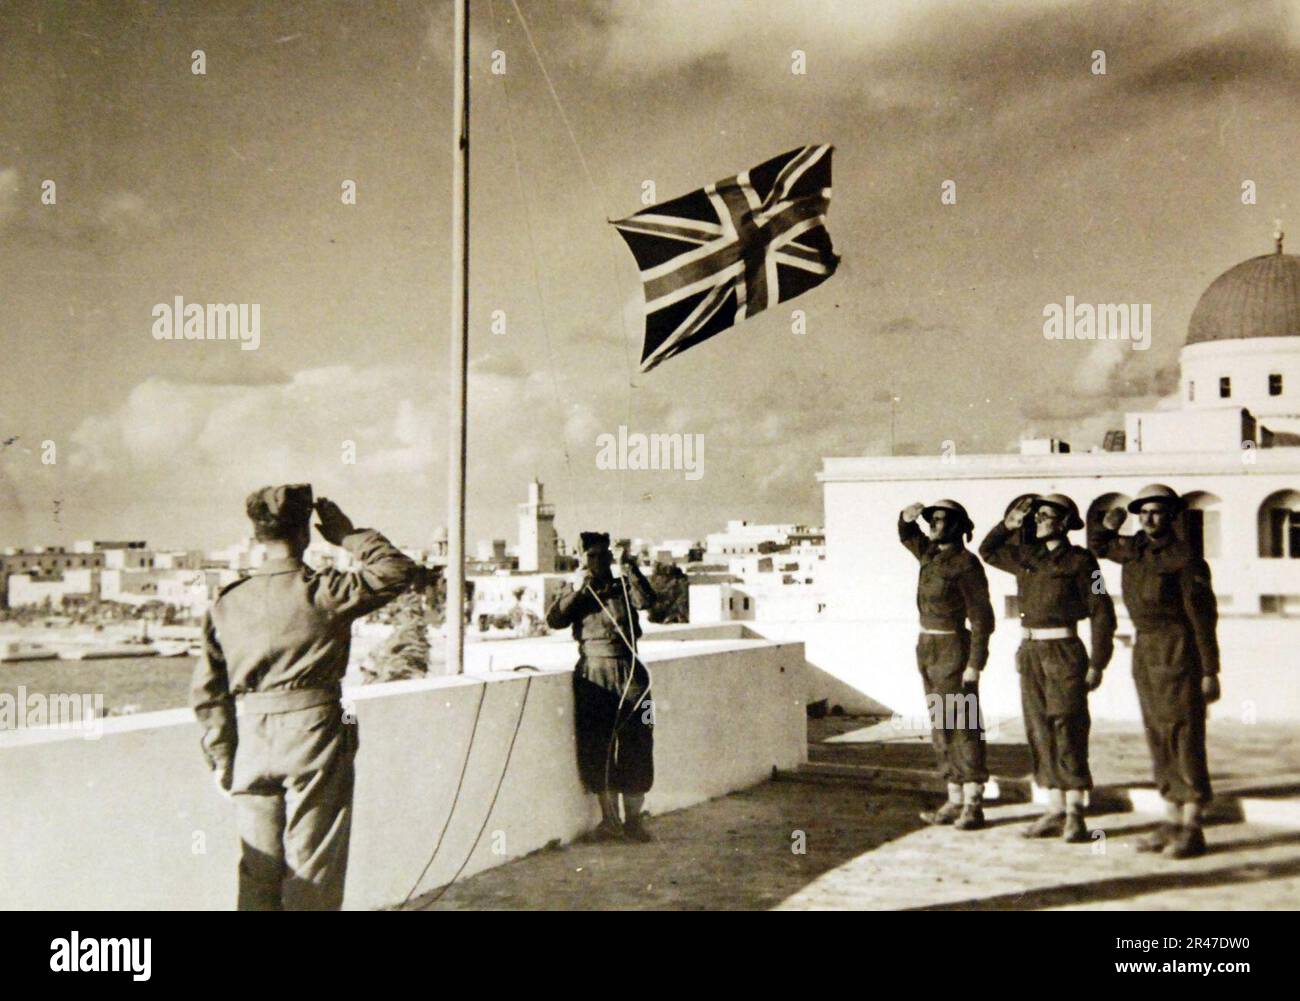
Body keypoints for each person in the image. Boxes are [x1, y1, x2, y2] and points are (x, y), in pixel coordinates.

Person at [191, 485, 418, 909]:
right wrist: (348, 535)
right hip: (314, 735)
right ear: (304, 534)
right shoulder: (324, 590)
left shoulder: (227, 602)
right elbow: (397, 571)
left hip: (253, 744)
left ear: (258, 535)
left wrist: (222, 756)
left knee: (258, 874)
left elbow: (208, 693)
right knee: (311, 872)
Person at [1090, 484, 1220, 859]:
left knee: (1183, 732)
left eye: (1157, 512)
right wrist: (1111, 521)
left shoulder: (1185, 558)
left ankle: (1192, 824)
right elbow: (1099, 544)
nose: (1148, 519)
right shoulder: (1134, 549)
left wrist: (1210, 669)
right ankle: (1171, 817)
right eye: (1142, 512)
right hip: (1146, 650)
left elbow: (1203, 619)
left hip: (1178, 648)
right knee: (1157, 733)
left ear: (1171, 516)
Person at [981, 494, 1116, 842]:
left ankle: (1075, 812)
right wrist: (1009, 523)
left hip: (1064, 652)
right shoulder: (1027, 555)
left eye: (1046, 515)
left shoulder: (1083, 561)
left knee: (1067, 726)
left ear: (1065, 521)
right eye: (1036, 515)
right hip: (1030, 652)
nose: (1039, 521)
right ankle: (1054, 809)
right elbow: (989, 550)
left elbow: (1102, 610)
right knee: (1039, 729)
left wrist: (1098, 662)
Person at [546, 532, 657, 842]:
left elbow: (648, 602)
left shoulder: (624, 585)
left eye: (599, 556)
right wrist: (578, 588)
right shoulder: (577, 590)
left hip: (632, 673)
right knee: (598, 747)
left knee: (639, 744)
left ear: (609, 557)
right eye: (588, 556)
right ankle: (611, 821)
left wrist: (629, 566)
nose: (594, 562)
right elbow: (555, 619)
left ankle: (634, 821)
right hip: (593, 675)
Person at [898, 500, 995, 830]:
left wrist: (975, 664)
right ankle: (954, 798)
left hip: (954, 647)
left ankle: (974, 803)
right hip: (928, 648)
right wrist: (905, 517)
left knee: (963, 725)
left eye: (941, 521)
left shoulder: (966, 564)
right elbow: (907, 534)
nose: (933, 525)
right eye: (931, 521)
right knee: (941, 724)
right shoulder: (930, 554)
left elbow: (982, 618)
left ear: (956, 526)